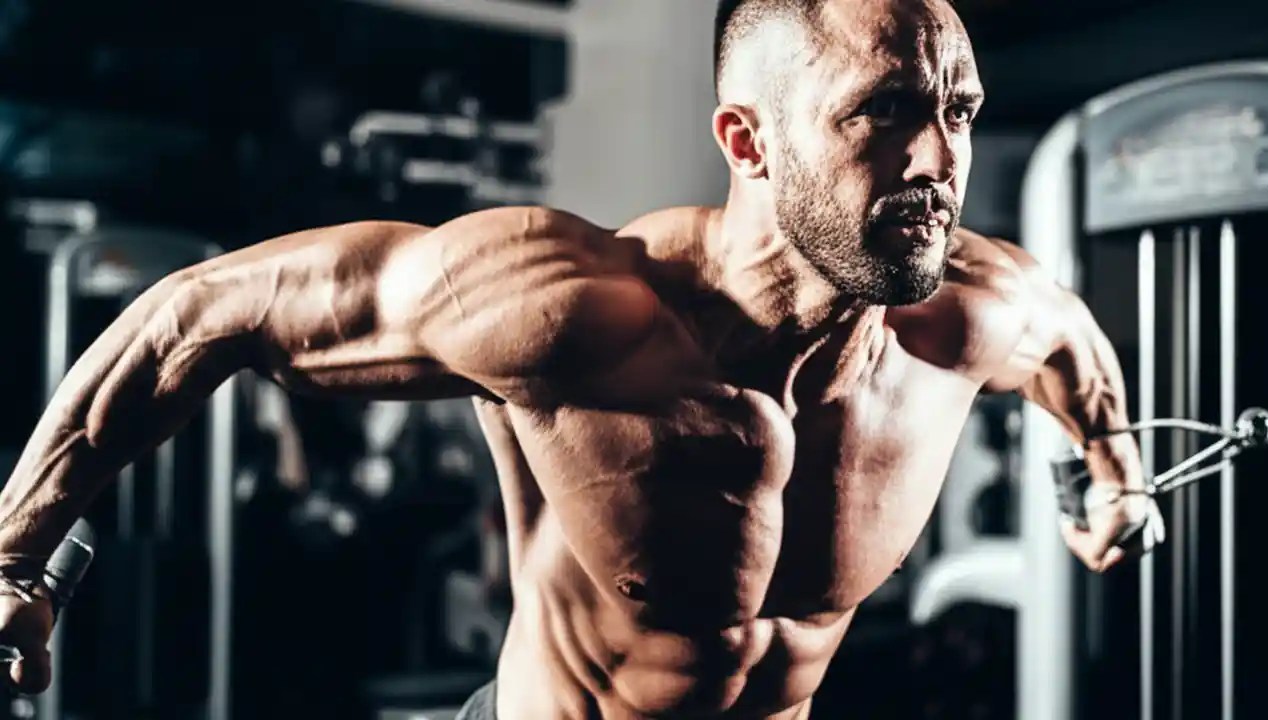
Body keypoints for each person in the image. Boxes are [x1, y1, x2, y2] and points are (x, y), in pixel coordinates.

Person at [0, 0, 1160, 717]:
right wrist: (12, 559)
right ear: (745, 140)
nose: (936, 157)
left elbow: (1064, 343)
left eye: (958, 107)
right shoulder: (578, 312)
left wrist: (1111, 472)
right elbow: (198, 311)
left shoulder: (962, 310)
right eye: (884, 110)